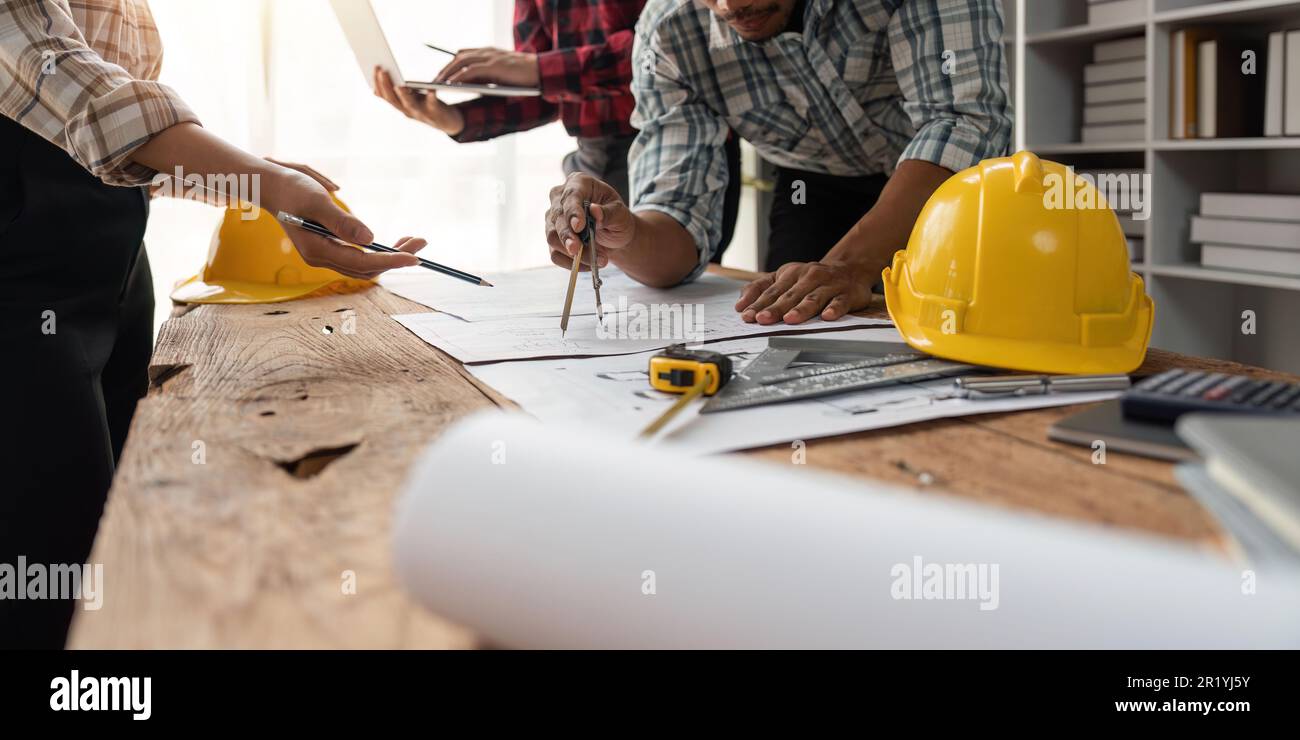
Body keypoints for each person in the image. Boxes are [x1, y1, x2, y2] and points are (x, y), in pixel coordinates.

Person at [0, 0, 425, 648]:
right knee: (53, 569)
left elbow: (126, 150)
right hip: (24, 291)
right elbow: (94, 107)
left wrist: (260, 186)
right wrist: (270, 186)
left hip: (117, 271)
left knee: (119, 539)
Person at [543, 0, 1012, 325]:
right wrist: (623, 235)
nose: (730, 7)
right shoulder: (669, 30)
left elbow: (962, 122)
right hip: (812, 188)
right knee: (791, 327)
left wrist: (848, 266)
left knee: (971, 332)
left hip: (947, 189)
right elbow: (675, 228)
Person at [372, 0, 741, 256]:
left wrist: (536, 68)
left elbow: (671, 44)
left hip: (683, 142)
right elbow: (544, 91)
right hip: (595, 153)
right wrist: (455, 119)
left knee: (682, 285)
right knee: (607, 289)